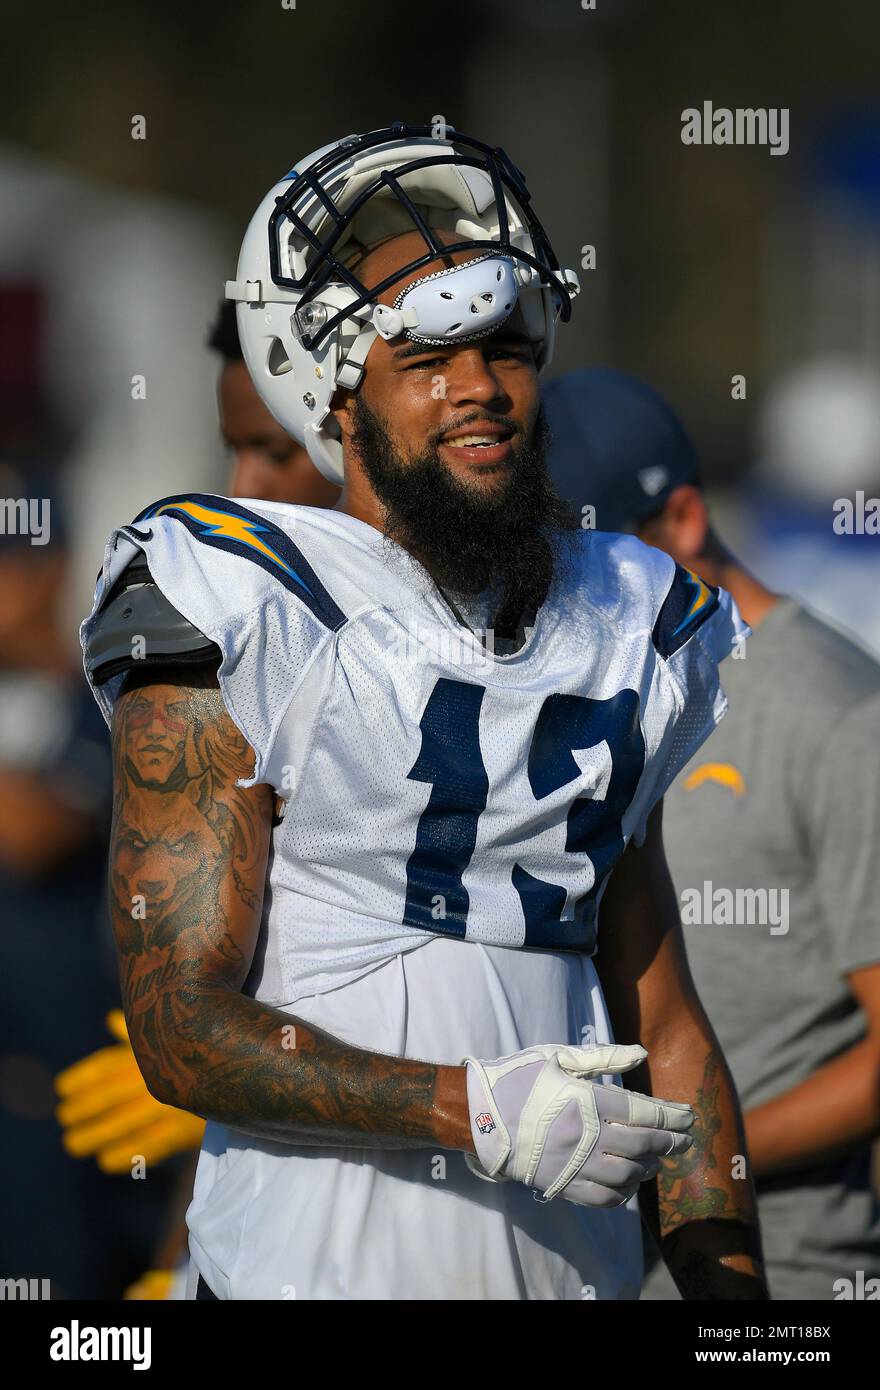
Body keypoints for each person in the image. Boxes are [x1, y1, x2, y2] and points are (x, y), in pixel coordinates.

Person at [79, 124, 766, 1301]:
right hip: (305, 1279)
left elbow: (675, 1032)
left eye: (506, 348)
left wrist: (732, 1299)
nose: (481, 389)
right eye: (431, 357)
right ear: (334, 393)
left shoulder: (620, 614)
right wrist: (469, 1106)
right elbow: (179, 1024)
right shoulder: (240, 595)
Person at [544, 366, 880, 1300]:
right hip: (603, 1264)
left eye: (593, 566)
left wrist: (678, 1169)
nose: (564, 600)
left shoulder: (840, 715)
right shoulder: (600, 701)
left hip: (791, 1274)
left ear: (683, 524)